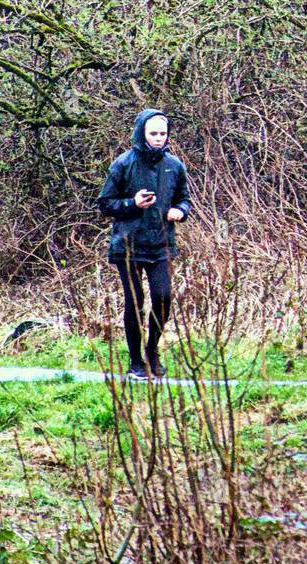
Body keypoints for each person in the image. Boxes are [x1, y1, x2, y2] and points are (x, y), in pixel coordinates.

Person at [97, 108, 192, 381]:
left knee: (163, 298)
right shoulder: (123, 164)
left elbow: (184, 199)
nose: (159, 138)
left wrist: (181, 211)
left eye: (163, 133)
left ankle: (152, 352)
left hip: (161, 243)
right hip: (127, 245)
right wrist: (132, 203)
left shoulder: (175, 166)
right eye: (154, 133)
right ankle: (135, 360)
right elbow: (105, 204)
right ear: (142, 133)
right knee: (135, 302)